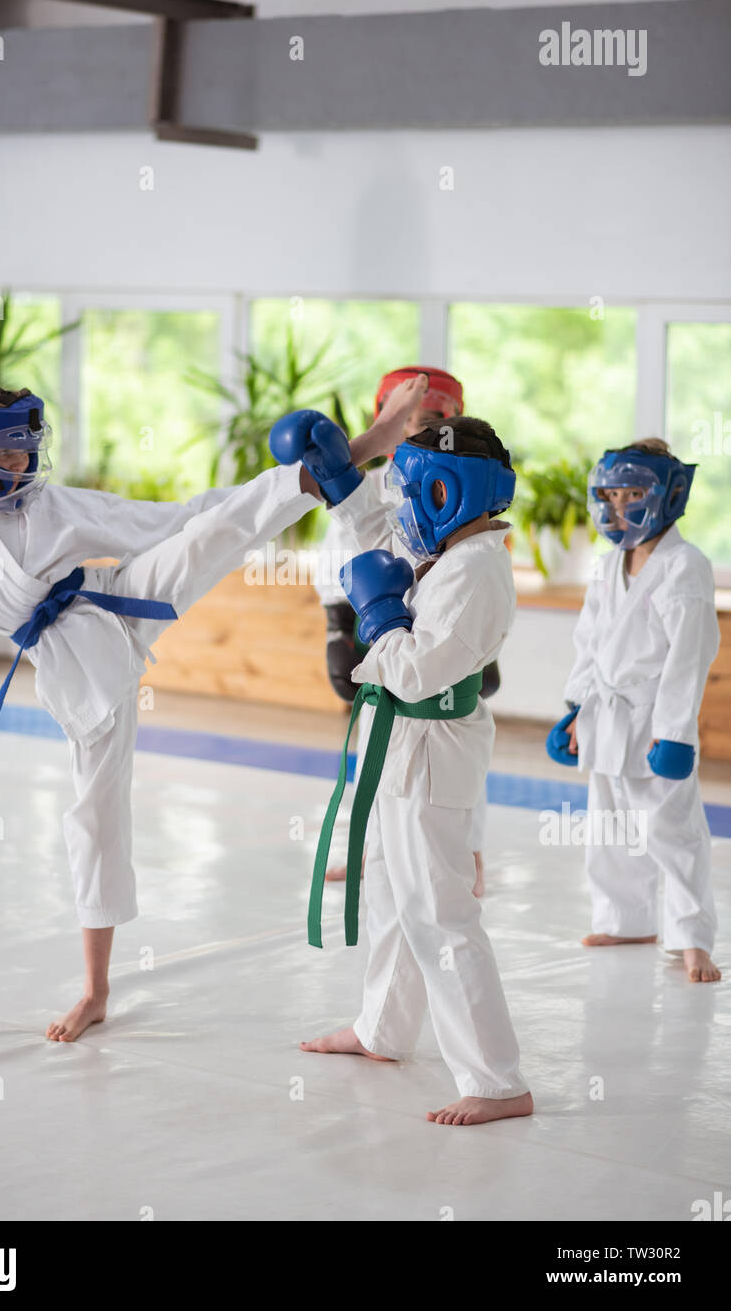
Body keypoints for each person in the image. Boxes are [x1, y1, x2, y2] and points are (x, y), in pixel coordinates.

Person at [0, 381, 420, 1041]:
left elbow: (168, 520)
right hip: (79, 668)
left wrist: (355, 449)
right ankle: (96, 990)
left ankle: (348, 455)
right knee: (96, 817)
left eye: (26, 452)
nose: (19, 468)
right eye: (6, 455)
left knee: (210, 529)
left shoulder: (47, 504)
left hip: (118, 597)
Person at [274, 409, 533, 1126]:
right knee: (393, 894)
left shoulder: (475, 570)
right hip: (402, 749)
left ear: (451, 491)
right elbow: (376, 533)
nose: (405, 506)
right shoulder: (452, 551)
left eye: (414, 490)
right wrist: (340, 482)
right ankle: (382, 1027)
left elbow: (417, 673)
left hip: (431, 749)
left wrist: (382, 615)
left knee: (444, 917)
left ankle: (498, 1079)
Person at [315, 366, 497, 896]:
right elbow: (353, 546)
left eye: (434, 420)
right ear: (387, 422)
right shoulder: (381, 488)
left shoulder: (466, 505)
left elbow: (471, 592)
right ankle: (369, 851)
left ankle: (470, 853)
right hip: (379, 633)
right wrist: (337, 630)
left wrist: (480, 655)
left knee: (448, 777)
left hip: (432, 650)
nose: (420, 429)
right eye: (408, 420)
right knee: (375, 755)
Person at [547, 439, 721, 983]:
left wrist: (674, 732)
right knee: (608, 824)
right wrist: (575, 706)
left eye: (633, 495)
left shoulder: (685, 566)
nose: (620, 507)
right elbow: (589, 642)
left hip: (653, 716)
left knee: (671, 828)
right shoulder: (607, 565)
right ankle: (627, 920)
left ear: (666, 495)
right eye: (611, 495)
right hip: (605, 711)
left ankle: (692, 939)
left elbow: (689, 656)